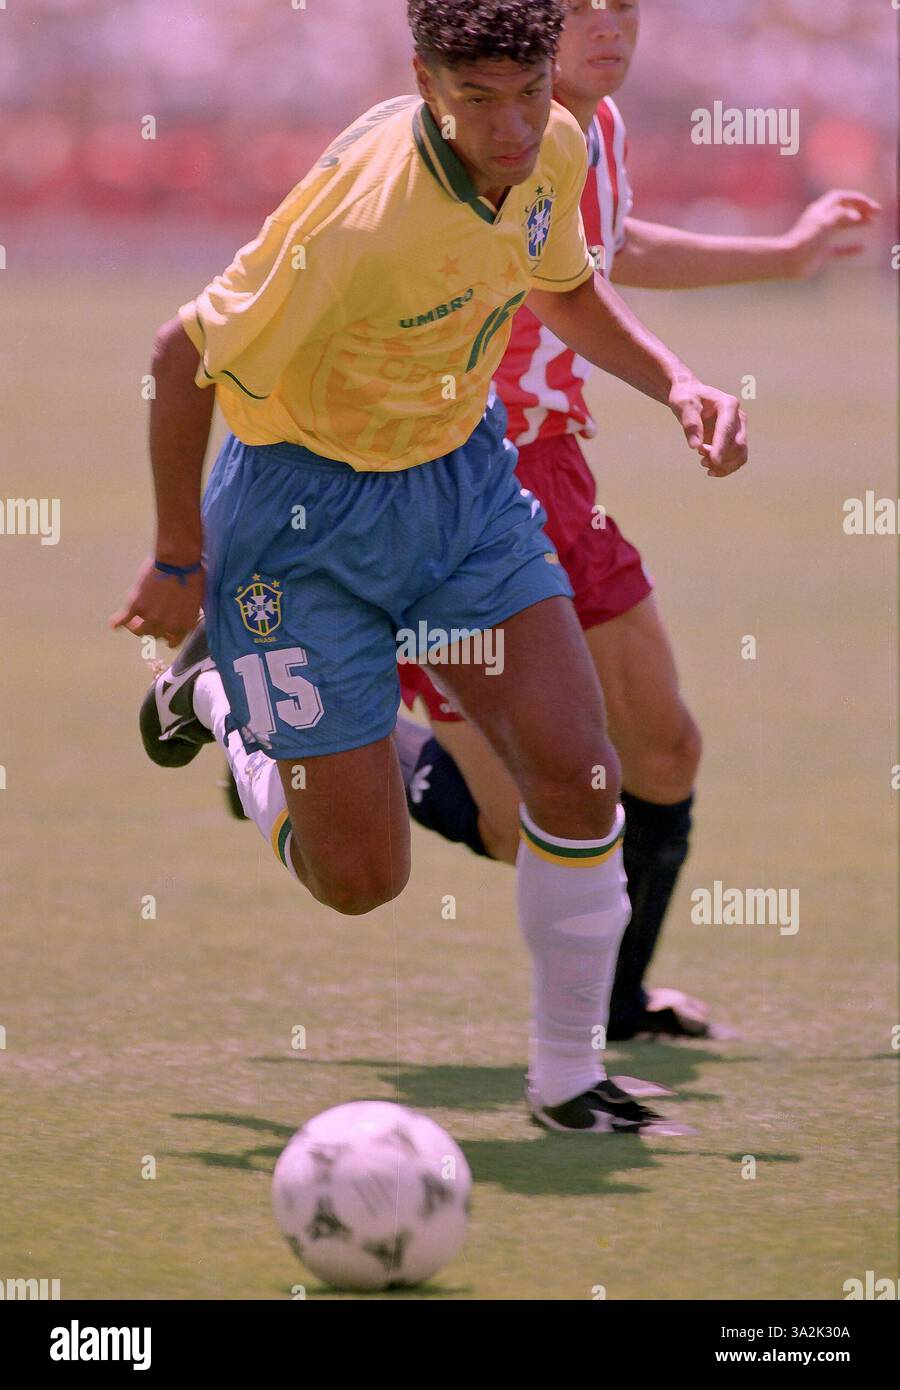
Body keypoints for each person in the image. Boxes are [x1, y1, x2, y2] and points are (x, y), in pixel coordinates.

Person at [113, 0, 747, 1137]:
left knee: (580, 767)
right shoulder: (363, 225)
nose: (511, 128)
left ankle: (567, 1083)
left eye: (525, 91)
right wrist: (176, 559)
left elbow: (559, 283)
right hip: (302, 519)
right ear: (424, 82)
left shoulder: (557, 139)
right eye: (477, 102)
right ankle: (215, 694)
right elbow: (179, 357)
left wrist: (678, 383)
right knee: (360, 877)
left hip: (460, 487)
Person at [392, 0, 880, 1042]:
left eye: (625, 7)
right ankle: (318, 742)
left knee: (661, 750)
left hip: (557, 471)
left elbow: (605, 247)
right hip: (452, 488)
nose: (610, 28)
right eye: (581, 10)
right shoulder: (481, 146)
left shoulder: (589, 133)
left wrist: (782, 255)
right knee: (532, 826)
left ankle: (618, 1011)